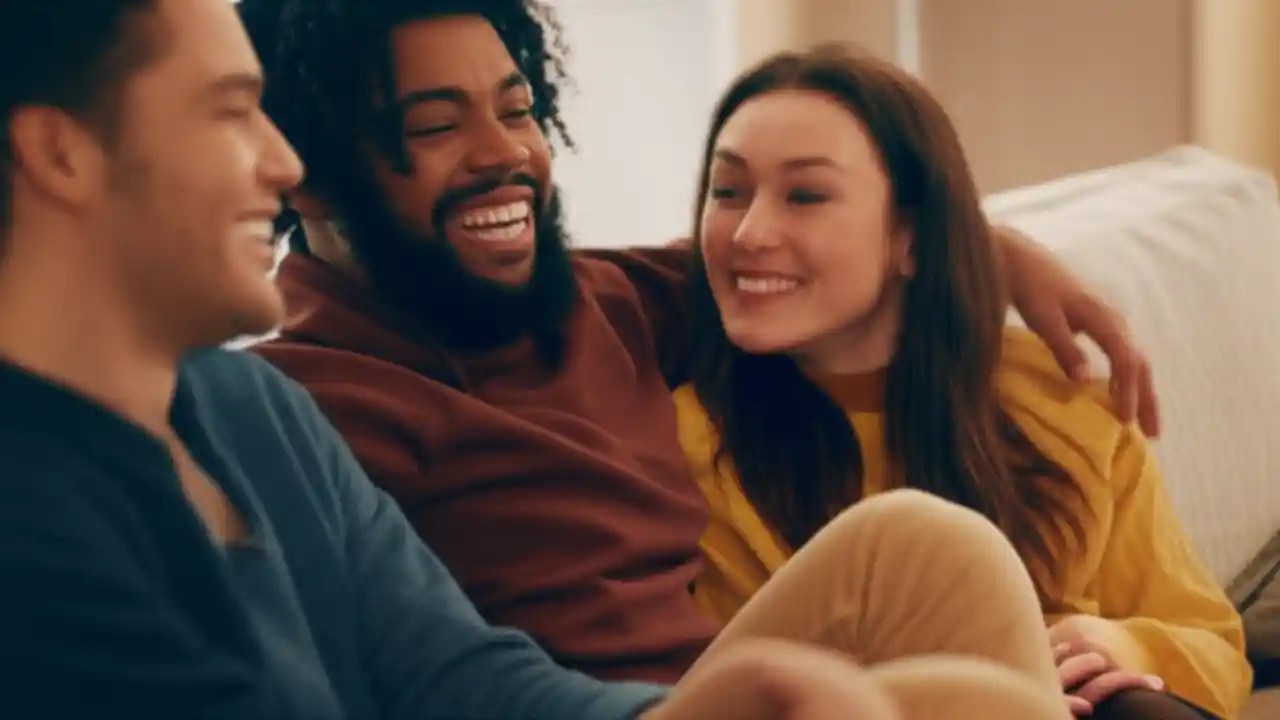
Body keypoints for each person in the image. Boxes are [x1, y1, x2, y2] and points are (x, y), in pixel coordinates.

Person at [0, 2, 1076, 718]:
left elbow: (457, 672)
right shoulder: (291, 403)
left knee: (931, 566)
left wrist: (974, 245)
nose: (275, 164)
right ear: (59, 152)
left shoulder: (250, 414)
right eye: (232, 117)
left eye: (517, 109)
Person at [243, 0, 1162, 693]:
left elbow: (798, 257)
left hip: (717, 699)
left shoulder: (607, 303)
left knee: (978, 690)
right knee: (913, 547)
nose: (506, 154)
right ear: (310, 180)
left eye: (517, 110)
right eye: (437, 127)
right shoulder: (296, 408)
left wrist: (996, 254)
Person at [674, 46, 1251, 720]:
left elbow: (1215, 646)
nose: (748, 232)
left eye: (805, 195)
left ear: (912, 235)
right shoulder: (685, 444)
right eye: (728, 191)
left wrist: (1122, 645)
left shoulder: (1061, 404)